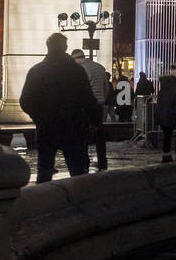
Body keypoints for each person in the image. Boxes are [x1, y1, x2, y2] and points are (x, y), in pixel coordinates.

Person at [18, 33, 101, 182]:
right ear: (65, 47)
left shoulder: (36, 71)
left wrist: (39, 117)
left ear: (48, 47)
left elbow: (25, 101)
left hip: (47, 127)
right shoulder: (76, 71)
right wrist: (95, 121)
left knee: (44, 172)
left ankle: (42, 196)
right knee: (78, 174)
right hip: (73, 126)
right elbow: (88, 99)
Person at [70, 49, 109, 171]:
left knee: (83, 133)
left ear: (76, 59)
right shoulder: (100, 67)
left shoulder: (80, 69)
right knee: (99, 133)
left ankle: (84, 161)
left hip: (86, 105)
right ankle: (102, 161)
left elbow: (81, 88)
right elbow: (106, 87)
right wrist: (102, 99)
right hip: (99, 105)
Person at [155, 65, 176, 162]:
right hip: (170, 115)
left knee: (167, 135)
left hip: (162, 114)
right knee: (168, 135)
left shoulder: (164, 87)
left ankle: (166, 154)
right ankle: (167, 155)